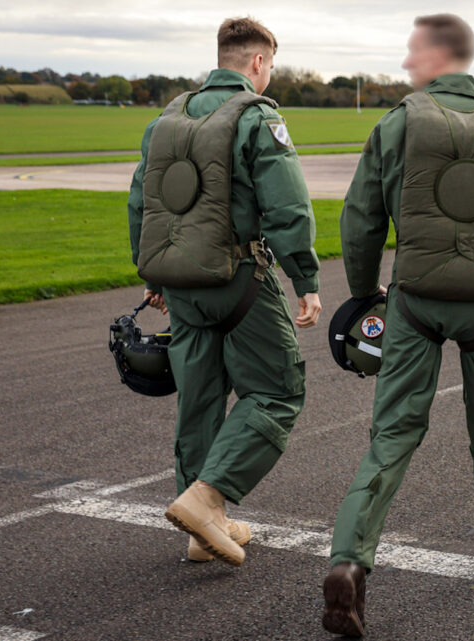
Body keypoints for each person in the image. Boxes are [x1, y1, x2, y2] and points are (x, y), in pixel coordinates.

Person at [321, 13, 474, 637]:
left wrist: (362, 297)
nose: (408, 63)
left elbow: (360, 218)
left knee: (391, 434)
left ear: (442, 56)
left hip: (414, 300)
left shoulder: (399, 122)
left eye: (414, 52)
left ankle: (349, 561)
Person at [126, 16, 322, 566]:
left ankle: (201, 531)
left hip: (180, 285)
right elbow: (286, 205)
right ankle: (208, 500)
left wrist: (155, 276)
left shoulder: (166, 119)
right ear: (258, 62)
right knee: (278, 392)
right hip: (239, 282)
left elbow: (141, 204)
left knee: (200, 402)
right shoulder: (258, 117)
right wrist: (304, 278)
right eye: (272, 65)